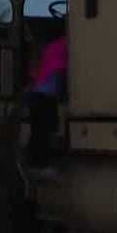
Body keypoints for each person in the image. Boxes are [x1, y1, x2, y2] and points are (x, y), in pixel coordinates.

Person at [26, 34, 68, 170]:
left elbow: (34, 73)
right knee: (43, 131)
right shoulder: (59, 49)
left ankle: (37, 163)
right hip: (44, 97)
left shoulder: (46, 51)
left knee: (39, 131)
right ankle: (40, 163)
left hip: (40, 95)